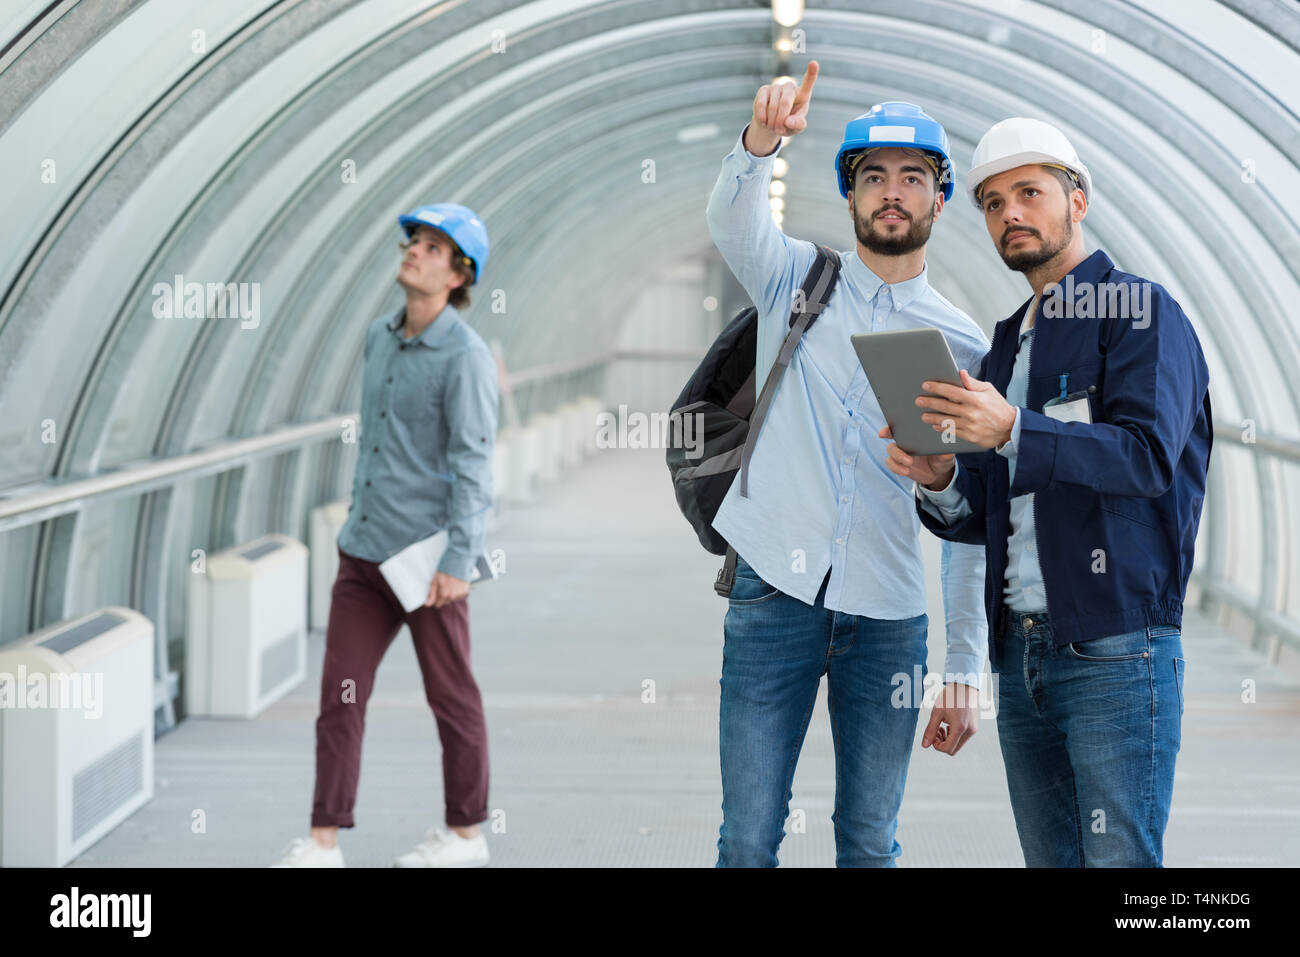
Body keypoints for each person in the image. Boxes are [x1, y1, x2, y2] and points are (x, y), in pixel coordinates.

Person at [884, 117, 1212, 866]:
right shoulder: (1006, 341)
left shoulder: (1140, 314)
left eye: (1029, 192)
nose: (1011, 215)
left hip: (1115, 647)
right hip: (1022, 653)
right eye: (993, 204)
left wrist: (1013, 429)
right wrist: (940, 480)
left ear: (1079, 198)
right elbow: (994, 509)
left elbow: (1147, 457)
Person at [705, 60, 990, 867]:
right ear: (851, 193)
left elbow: (974, 523)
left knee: (869, 840)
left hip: (888, 616)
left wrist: (966, 667)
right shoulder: (792, 278)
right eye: (873, 176)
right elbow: (732, 221)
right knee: (749, 835)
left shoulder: (965, 344)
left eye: (912, 176)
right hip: (773, 596)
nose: (891, 191)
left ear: (939, 197)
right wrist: (760, 143)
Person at [272, 203, 499, 868]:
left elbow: (474, 466)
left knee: (451, 696)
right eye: (414, 241)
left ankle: (466, 835)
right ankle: (323, 841)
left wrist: (459, 558)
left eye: (433, 248)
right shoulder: (378, 335)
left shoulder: (466, 357)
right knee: (339, 695)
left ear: (459, 275)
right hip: (364, 554)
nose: (415, 252)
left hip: (427, 562)